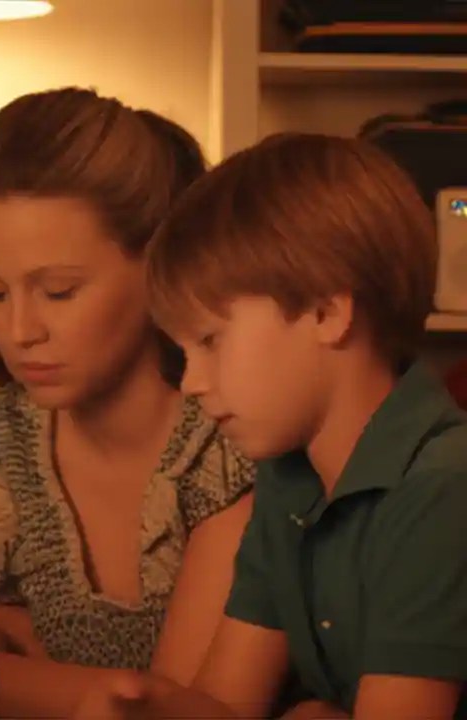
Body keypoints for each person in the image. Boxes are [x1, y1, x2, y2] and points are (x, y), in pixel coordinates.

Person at [0, 88, 255, 718]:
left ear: (159, 266)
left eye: (58, 290)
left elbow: (164, 711)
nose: (20, 330)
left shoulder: (230, 442)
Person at [73, 133, 467, 719]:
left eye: (210, 340)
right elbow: (227, 702)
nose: (190, 382)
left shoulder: (441, 487)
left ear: (326, 312)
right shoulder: (289, 478)